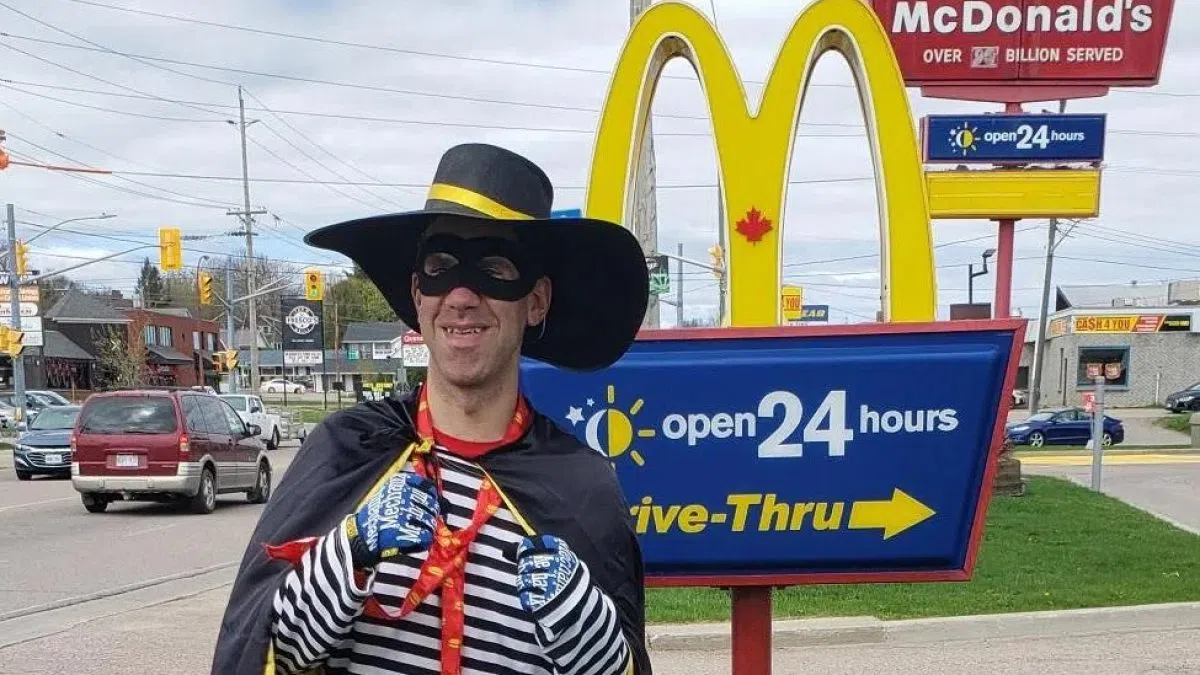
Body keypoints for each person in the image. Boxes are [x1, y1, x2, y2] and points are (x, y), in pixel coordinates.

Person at [211, 143, 653, 675]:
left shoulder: (581, 488)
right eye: (441, 268)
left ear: (535, 300)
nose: (462, 296)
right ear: (417, 293)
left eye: (494, 267)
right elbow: (263, 652)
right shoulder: (348, 451)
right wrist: (346, 556)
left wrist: (594, 644)